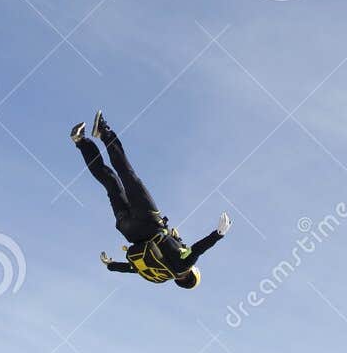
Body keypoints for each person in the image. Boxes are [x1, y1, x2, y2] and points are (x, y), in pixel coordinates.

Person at [71, 110, 230, 288]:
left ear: (192, 273)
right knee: (110, 183)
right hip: (128, 229)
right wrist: (111, 265)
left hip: (149, 223)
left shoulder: (184, 266)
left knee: (128, 175)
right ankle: (81, 142)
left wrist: (218, 235)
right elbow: (132, 268)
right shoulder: (160, 276)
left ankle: (103, 132)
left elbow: (197, 250)